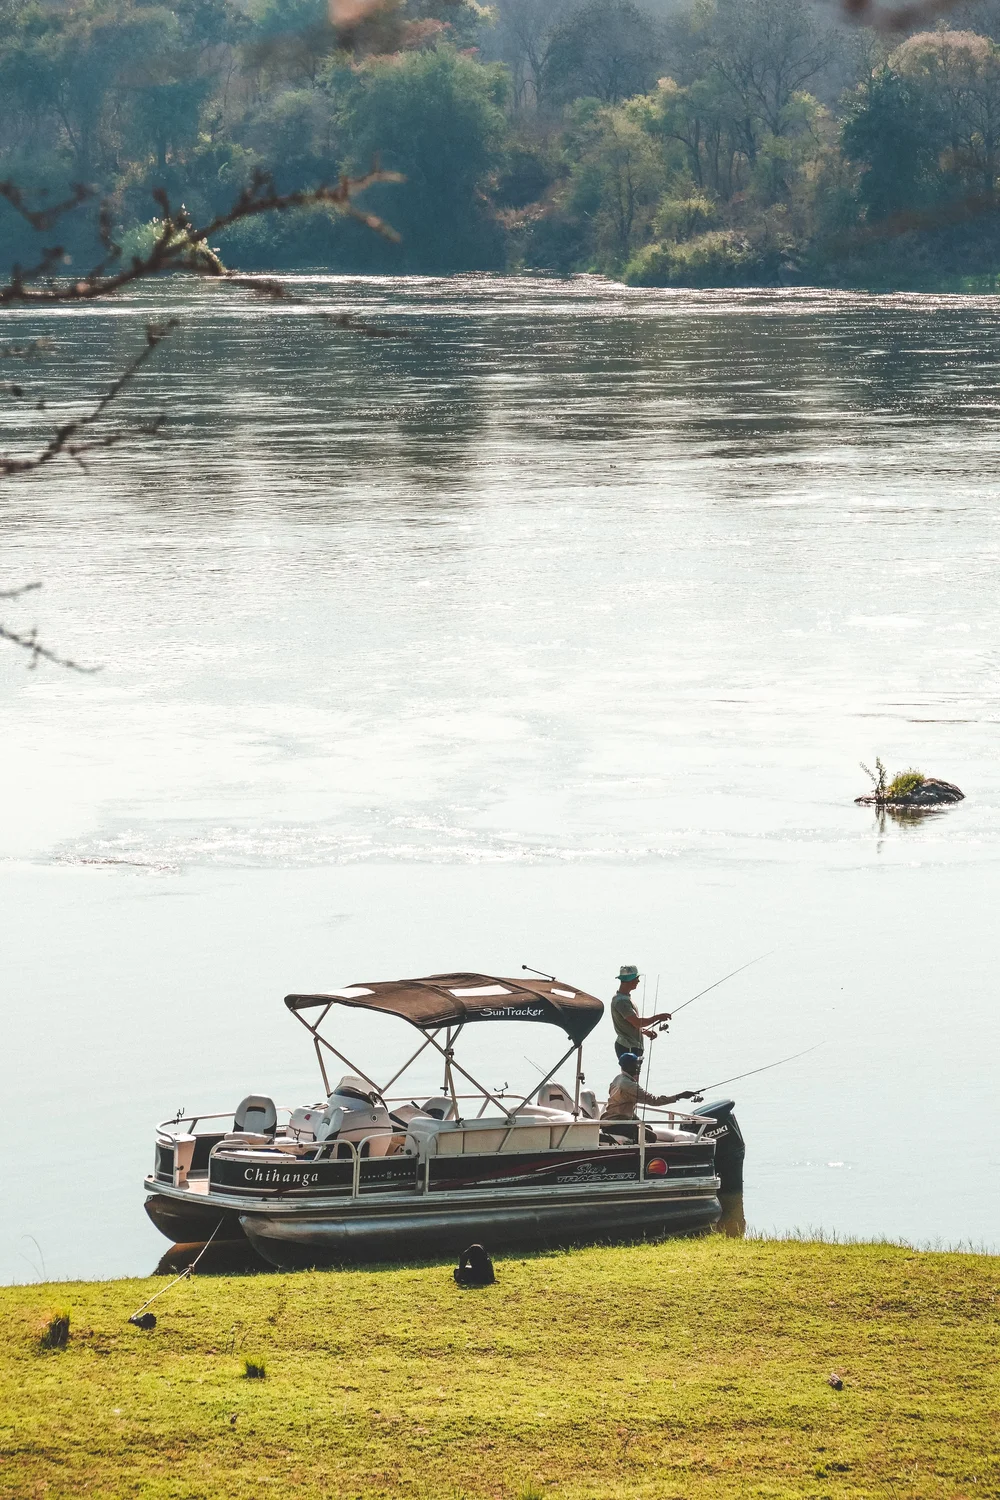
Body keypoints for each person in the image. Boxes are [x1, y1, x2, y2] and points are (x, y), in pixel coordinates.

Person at [600, 1053, 699, 1143]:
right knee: (651, 1137)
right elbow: (653, 1100)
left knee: (648, 1128)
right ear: (630, 1066)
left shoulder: (618, 1078)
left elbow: (622, 1105)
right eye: (636, 1065)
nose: (638, 1067)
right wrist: (679, 1096)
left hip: (614, 1121)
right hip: (615, 1124)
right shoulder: (629, 1085)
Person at [611, 964, 673, 1062]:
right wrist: (658, 1017)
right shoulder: (621, 1001)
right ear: (629, 980)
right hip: (628, 1047)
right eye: (636, 978)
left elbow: (630, 1024)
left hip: (631, 1046)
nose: (638, 981)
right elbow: (636, 1022)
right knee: (631, 1076)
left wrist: (644, 1031)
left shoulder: (625, 998)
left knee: (633, 1077)